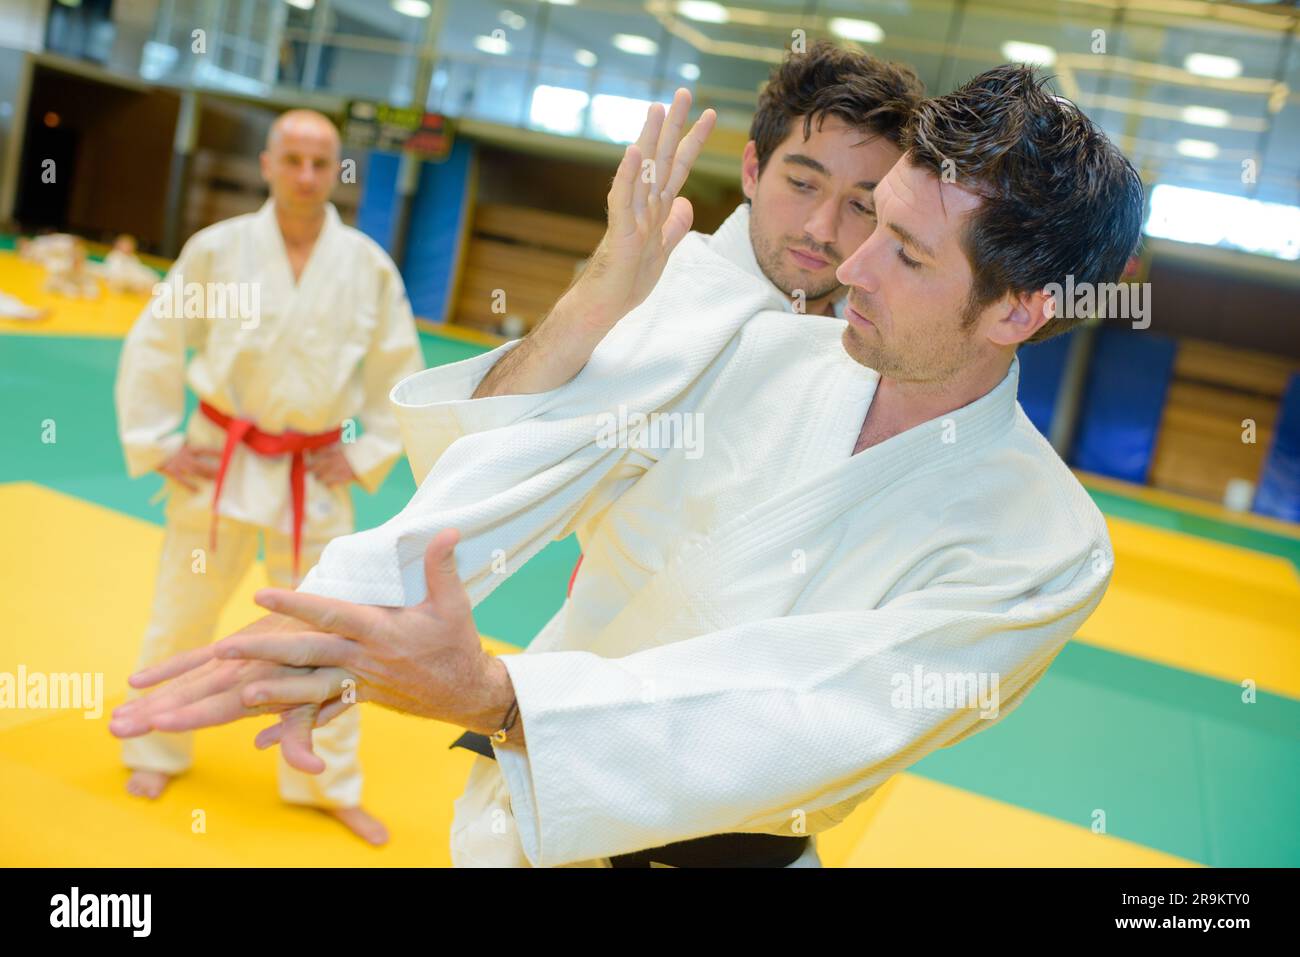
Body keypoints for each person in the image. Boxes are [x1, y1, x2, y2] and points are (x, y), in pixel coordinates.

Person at [111, 65, 1145, 868]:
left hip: (716, 847)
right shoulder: (752, 346)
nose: (853, 261)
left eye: (907, 252)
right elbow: (526, 456)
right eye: (874, 222)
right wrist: (344, 619)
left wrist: (492, 694)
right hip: (521, 823)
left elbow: (806, 708)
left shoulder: (1043, 547)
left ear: (1019, 309)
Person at [112, 109, 424, 845]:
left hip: (312, 475)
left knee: (330, 634)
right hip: (219, 463)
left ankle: (325, 780)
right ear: (267, 162)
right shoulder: (218, 250)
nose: (308, 176)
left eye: (323, 163)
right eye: (294, 160)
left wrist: (367, 449)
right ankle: (153, 743)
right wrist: (156, 441)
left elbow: (399, 371)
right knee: (182, 610)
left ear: (338, 170)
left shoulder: (366, 266)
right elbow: (155, 342)